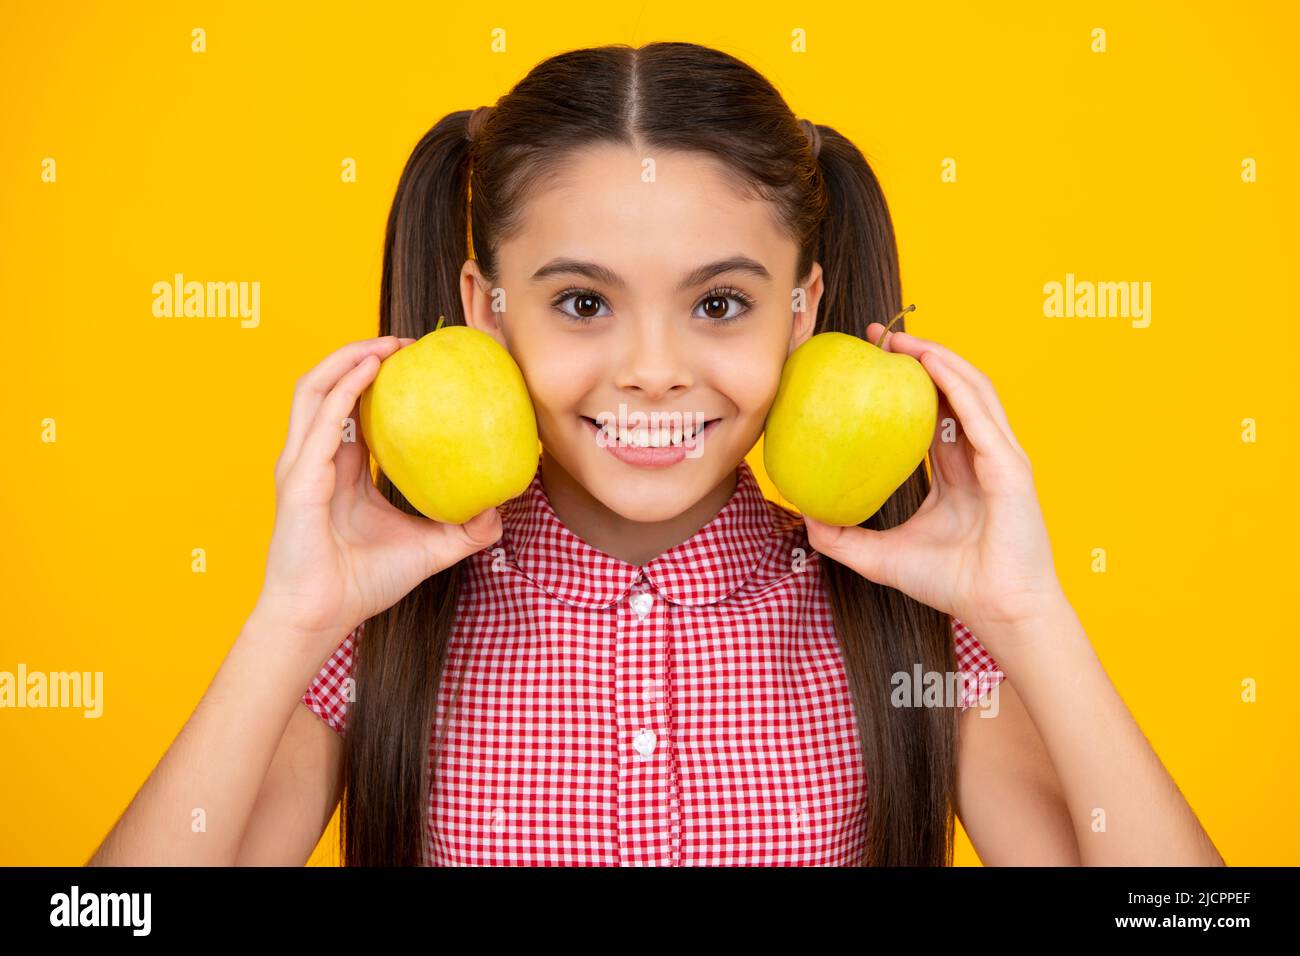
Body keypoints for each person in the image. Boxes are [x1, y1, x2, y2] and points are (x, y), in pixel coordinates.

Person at [88, 41, 1223, 867]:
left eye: (719, 303)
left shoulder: (904, 634)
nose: (650, 368)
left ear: (802, 307)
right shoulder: (378, 633)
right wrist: (287, 618)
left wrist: (1030, 609)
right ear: (484, 310)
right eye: (582, 300)